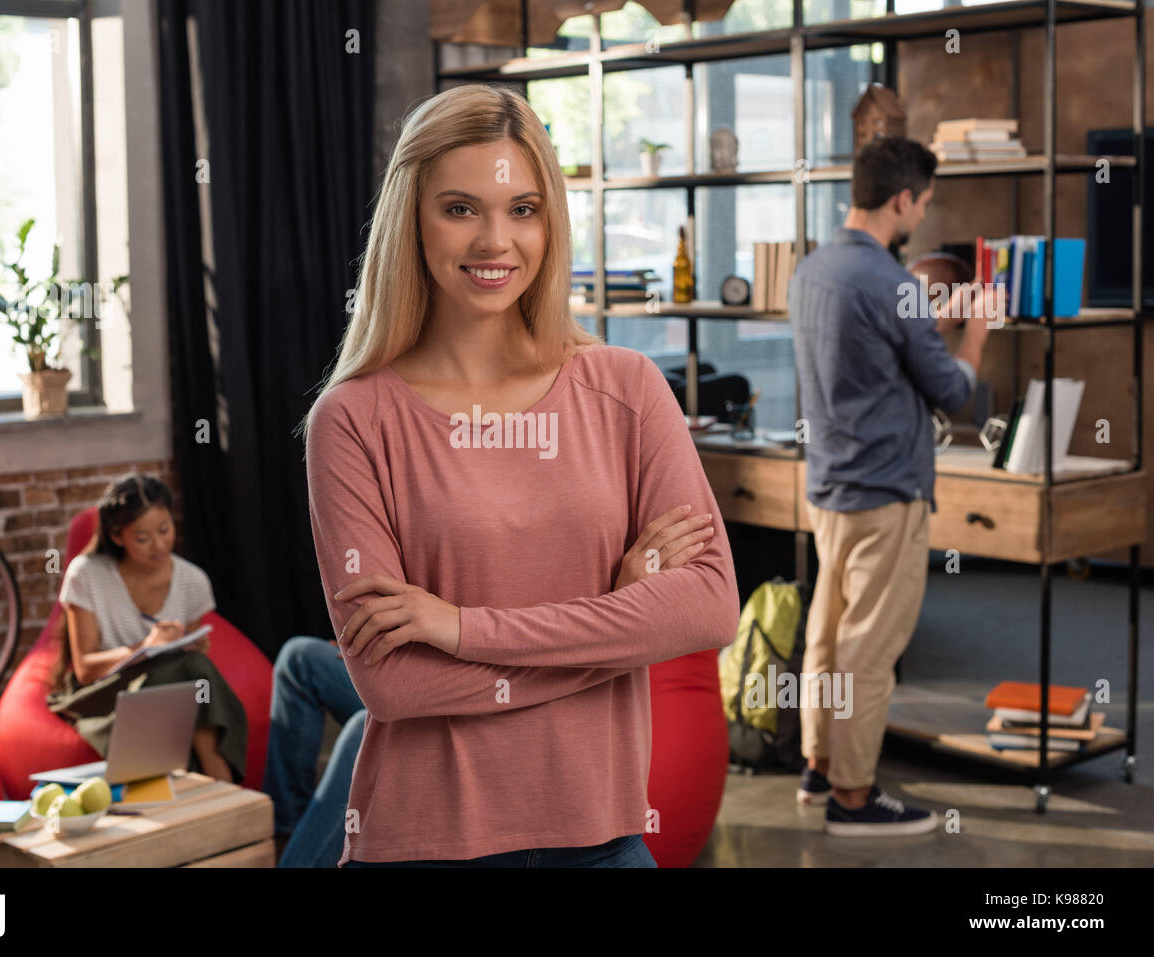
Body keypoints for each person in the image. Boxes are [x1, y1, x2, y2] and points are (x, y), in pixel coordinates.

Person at [294, 83, 741, 867]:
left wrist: (460, 628)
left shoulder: (628, 390)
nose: (495, 240)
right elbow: (393, 685)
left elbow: (707, 606)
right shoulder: (353, 420)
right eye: (461, 208)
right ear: (412, 218)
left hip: (604, 840)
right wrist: (621, 618)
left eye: (523, 209)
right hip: (422, 845)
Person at [787, 136, 994, 836]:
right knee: (870, 649)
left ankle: (818, 766)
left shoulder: (810, 270)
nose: (921, 218)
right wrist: (974, 337)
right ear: (902, 199)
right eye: (923, 204)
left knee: (828, 634)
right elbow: (949, 391)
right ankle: (854, 797)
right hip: (886, 493)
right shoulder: (895, 285)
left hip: (829, 488)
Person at [48, 472, 247, 783]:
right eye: (142, 538)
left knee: (193, 665)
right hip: (104, 693)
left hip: (170, 691)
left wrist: (187, 645)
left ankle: (214, 788)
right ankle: (223, 786)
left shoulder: (192, 581)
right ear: (117, 536)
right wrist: (145, 647)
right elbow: (85, 669)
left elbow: (182, 656)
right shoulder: (86, 575)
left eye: (165, 530)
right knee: (192, 671)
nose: (159, 545)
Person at [263, 634, 364, 866]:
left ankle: (301, 861)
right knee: (299, 657)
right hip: (403, 664)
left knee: (363, 730)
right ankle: (288, 833)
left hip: (444, 699)